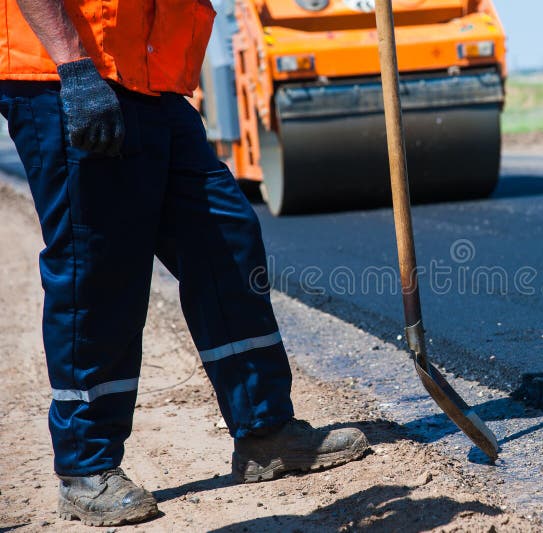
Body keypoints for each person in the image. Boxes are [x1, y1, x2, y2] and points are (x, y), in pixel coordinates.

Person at [0, 0, 369, 526]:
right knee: (98, 270)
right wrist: (74, 65)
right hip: (70, 76)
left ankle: (264, 433)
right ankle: (87, 469)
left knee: (225, 240)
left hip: (153, 82)